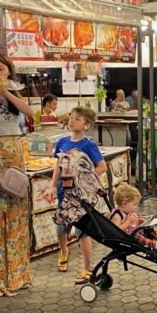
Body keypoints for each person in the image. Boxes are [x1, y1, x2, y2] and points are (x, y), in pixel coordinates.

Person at [0, 54, 34, 296]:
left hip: (15, 160)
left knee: (16, 216)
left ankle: (17, 275)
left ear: (8, 72)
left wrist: (6, 93)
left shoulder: (11, 93)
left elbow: (30, 113)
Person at [45, 107, 107, 283]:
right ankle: (64, 251)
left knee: (83, 232)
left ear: (86, 125)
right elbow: (58, 165)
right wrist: (51, 184)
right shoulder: (62, 141)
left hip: (82, 198)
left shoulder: (89, 144)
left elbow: (101, 166)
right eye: (71, 117)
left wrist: (85, 181)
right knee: (61, 226)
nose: (72, 121)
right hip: (64, 193)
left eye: (77, 119)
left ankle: (87, 268)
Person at [111, 183, 157, 248]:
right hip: (128, 238)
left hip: (136, 231)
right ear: (124, 203)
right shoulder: (117, 215)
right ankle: (153, 244)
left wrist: (138, 221)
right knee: (138, 237)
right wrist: (128, 221)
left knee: (149, 231)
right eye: (134, 204)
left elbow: (133, 223)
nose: (136, 207)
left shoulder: (128, 211)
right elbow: (115, 231)